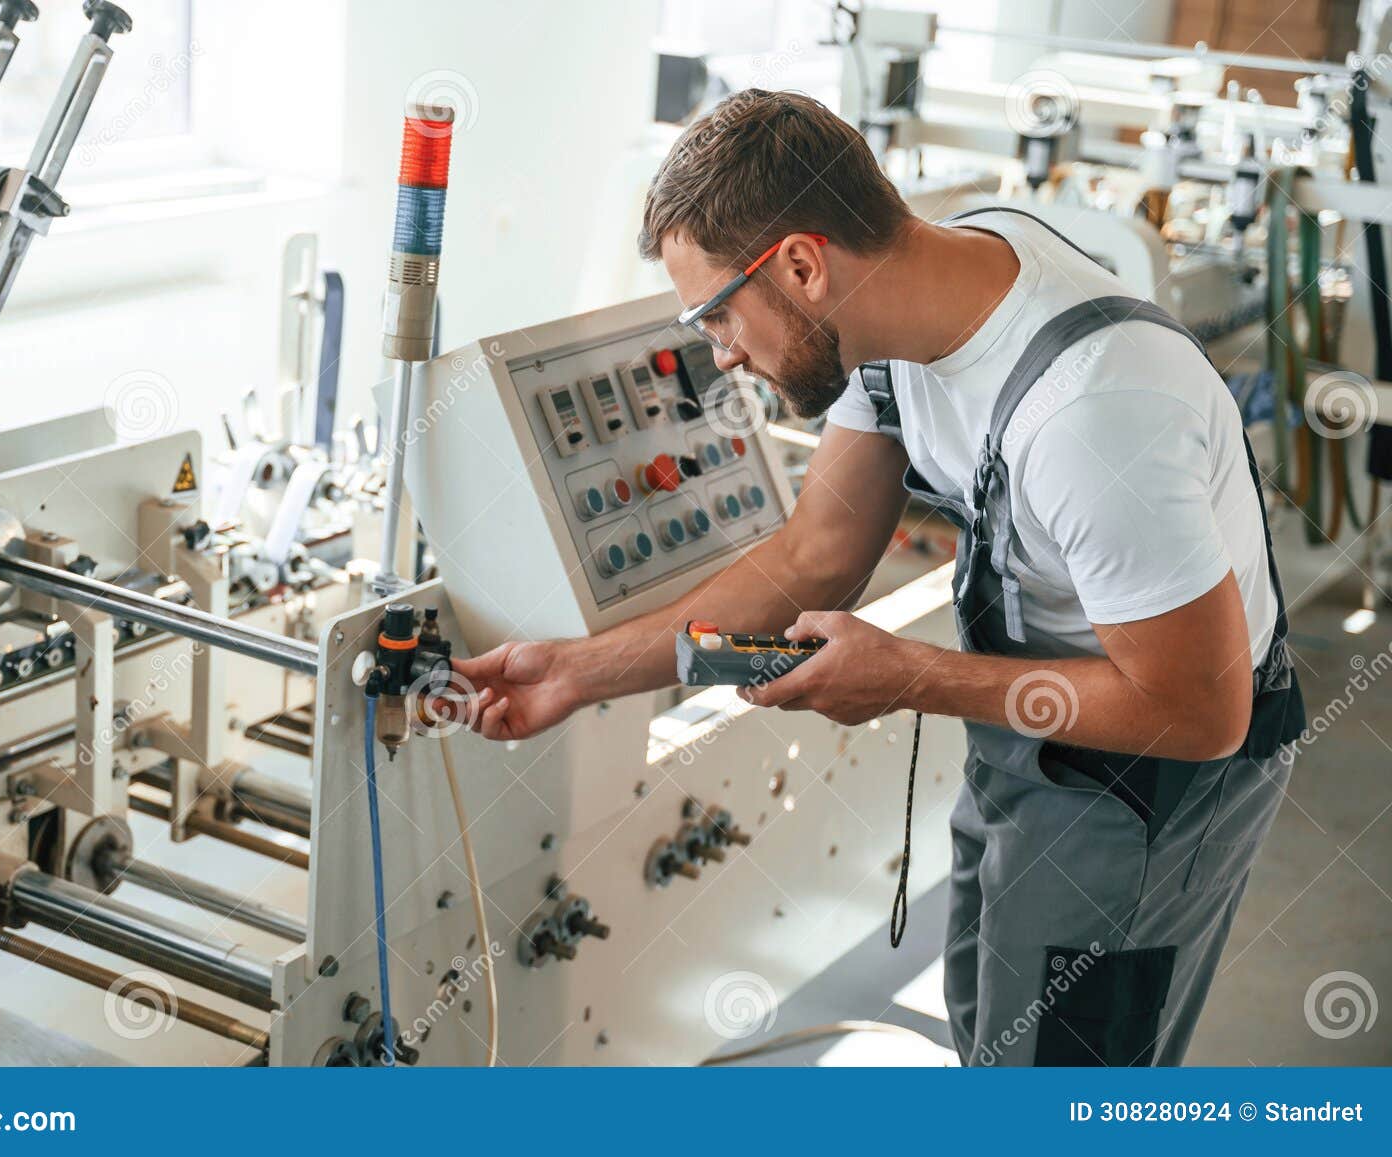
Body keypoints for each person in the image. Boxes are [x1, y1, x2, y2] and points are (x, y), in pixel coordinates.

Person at [452, 89, 1304, 1066]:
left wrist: (909, 676)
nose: (720, 356)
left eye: (717, 315)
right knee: (994, 1031)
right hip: (1037, 732)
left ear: (802, 265)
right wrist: (577, 671)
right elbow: (814, 556)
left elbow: (1200, 710)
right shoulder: (896, 311)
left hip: (1153, 773)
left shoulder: (1094, 412)